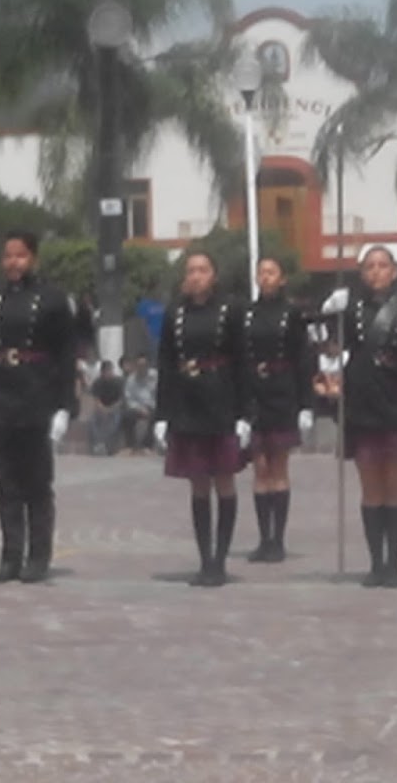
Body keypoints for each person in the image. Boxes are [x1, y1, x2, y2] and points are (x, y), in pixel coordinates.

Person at [0, 230, 78, 584]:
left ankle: (38, 556)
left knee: (37, 483)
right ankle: (10, 556)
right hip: (0, 396)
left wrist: (64, 405)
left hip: (37, 394)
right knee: (7, 483)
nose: (13, 262)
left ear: (33, 258)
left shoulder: (52, 299)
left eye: (21, 255)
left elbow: (66, 354)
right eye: (8, 255)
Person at [156, 250, 249, 587]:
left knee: (224, 479)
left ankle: (220, 560)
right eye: (191, 270)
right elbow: (166, 362)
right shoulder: (175, 312)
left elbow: (242, 361)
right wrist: (162, 414)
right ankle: (204, 559)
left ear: (214, 275)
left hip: (221, 399)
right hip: (187, 401)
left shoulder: (230, 309)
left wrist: (244, 414)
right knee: (197, 482)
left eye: (202, 270)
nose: (196, 276)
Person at [342, 246, 397, 589]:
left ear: (394, 271)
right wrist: (330, 312)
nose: (376, 272)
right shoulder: (351, 309)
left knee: (395, 485)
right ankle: (375, 561)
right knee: (370, 488)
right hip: (363, 403)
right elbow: (341, 348)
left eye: (382, 265)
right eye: (370, 267)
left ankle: (393, 561)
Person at [241, 257, 314, 564]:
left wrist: (306, 404)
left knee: (279, 467)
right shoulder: (247, 314)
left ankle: (279, 540)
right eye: (261, 272)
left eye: (271, 272)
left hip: (283, 392)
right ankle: (263, 539)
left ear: (282, 279)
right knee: (259, 467)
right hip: (255, 393)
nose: (265, 277)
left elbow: (304, 359)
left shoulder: (292, 314)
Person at [120, 355, 158, 453]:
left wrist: (150, 406)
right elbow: (129, 399)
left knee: (155, 416)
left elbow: (159, 394)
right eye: (139, 366)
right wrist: (139, 408)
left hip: (152, 406)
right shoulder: (131, 379)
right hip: (137, 408)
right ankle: (131, 445)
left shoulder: (156, 376)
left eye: (144, 365)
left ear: (148, 366)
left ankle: (147, 446)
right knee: (126, 416)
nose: (141, 368)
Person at [87, 361, 124, 456]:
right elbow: (96, 399)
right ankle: (99, 444)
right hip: (101, 408)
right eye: (107, 371)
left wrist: (110, 409)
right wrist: (103, 409)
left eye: (111, 370)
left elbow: (121, 400)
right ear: (102, 372)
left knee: (115, 421)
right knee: (92, 421)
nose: (110, 373)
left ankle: (105, 444)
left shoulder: (118, 382)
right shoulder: (97, 382)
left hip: (114, 408)